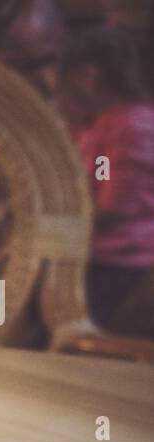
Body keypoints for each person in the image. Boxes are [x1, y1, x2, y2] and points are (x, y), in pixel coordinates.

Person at [59, 28, 154, 337]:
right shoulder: (104, 123)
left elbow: (113, 205)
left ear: (88, 75)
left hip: (120, 263)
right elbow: (99, 179)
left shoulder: (132, 125)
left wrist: (63, 220)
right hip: (95, 255)